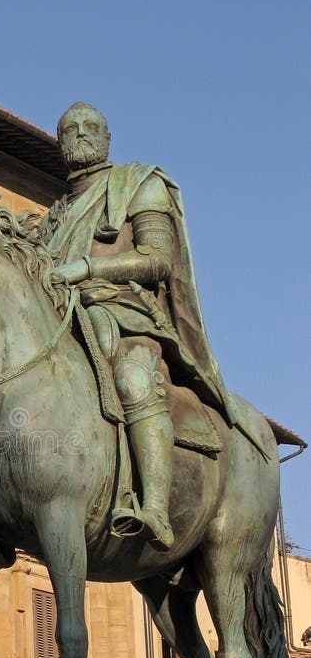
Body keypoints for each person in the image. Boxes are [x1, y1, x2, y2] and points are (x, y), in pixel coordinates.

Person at [38, 102, 237, 550]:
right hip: (66, 318)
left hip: (126, 315)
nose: (81, 134)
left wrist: (86, 268)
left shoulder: (139, 185)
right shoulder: (53, 216)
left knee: (132, 380)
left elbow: (157, 258)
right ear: (60, 142)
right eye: (70, 129)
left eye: (91, 127)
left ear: (108, 138)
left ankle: (156, 510)